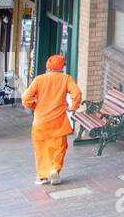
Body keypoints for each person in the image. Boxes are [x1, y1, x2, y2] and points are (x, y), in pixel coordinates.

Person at [20, 54, 82, 186]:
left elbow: (25, 98)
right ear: (62, 67)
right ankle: (55, 168)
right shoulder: (66, 79)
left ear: (48, 67)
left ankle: (42, 176)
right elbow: (76, 94)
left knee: (41, 149)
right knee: (60, 147)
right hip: (59, 121)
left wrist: (34, 105)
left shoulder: (39, 79)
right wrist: (73, 106)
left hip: (40, 121)